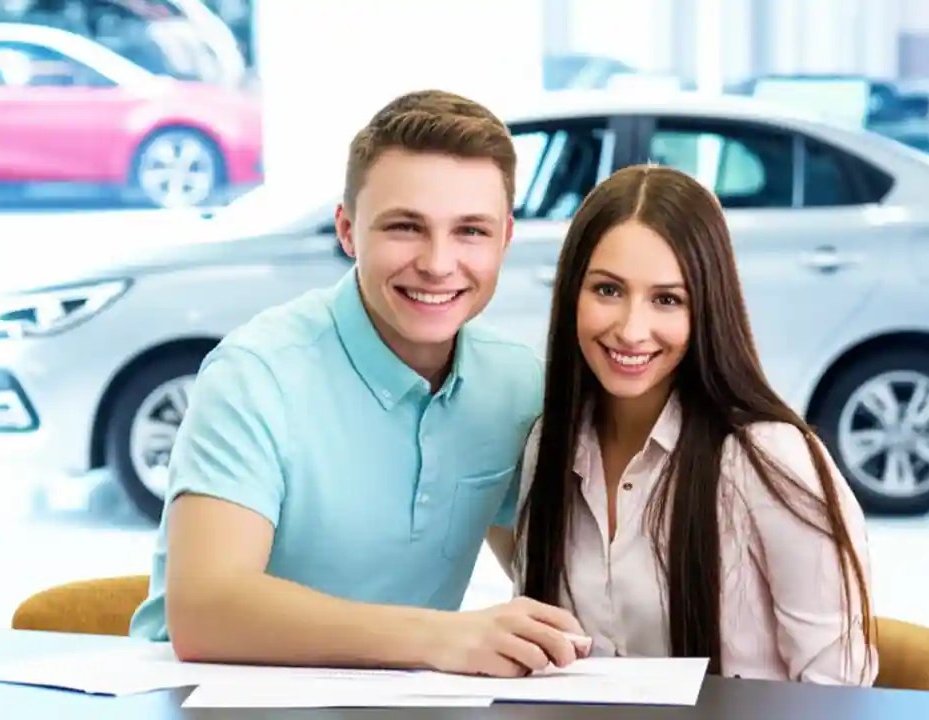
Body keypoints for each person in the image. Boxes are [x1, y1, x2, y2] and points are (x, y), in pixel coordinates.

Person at [128, 89, 586, 678]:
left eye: (470, 231)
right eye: (405, 227)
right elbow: (206, 610)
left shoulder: (516, 382)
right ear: (348, 231)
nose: (438, 262)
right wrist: (440, 636)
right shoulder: (255, 374)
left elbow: (552, 578)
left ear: (505, 239)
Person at [513, 164, 878, 684]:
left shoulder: (770, 459)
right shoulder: (548, 445)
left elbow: (838, 696)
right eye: (608, 290)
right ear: (573, 292)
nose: (632, 329)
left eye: (667, 299)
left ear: (706, 308)